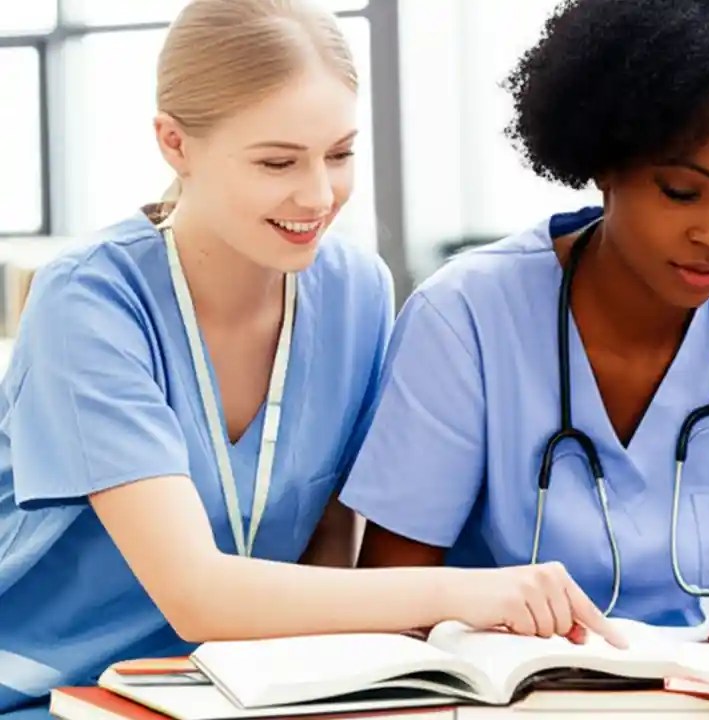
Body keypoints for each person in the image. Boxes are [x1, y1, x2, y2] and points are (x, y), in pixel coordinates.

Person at [0, 1, 619, 714]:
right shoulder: (89, 302)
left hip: (227, 693)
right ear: (175, 144)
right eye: (277, 161)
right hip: (44, 690)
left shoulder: (355, 290)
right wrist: (476, 590)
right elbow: (199, 596)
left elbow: (329, 538)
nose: (319, 195)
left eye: (340, 153)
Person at [340, 0, 709, 642]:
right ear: (605, 163)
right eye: (682, 192)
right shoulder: (465, 316)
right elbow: (388, 595)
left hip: (688, 690)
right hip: (496, 691)